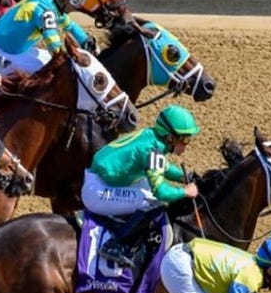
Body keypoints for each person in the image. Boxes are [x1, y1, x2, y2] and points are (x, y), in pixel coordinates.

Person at [82, 104, 201, 265]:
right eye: (185, 139)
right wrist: (185, 191)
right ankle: (115, 245)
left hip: (101, 180)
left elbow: (164, 168)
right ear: (170, 137)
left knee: (145, 185)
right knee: (153, 202)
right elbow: (162, 192)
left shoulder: (152, 137)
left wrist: (186, 176)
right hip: (97, 191)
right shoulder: (152, 149)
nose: (187, 144)